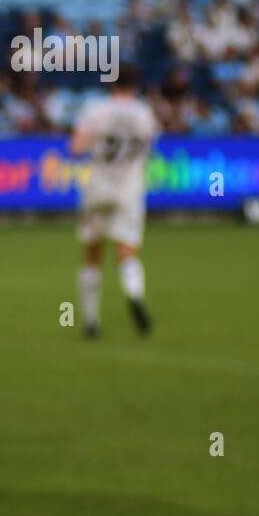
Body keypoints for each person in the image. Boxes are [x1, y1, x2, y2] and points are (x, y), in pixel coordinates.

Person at [71, 63, 159, 338]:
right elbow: (149, 149)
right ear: (136, 85)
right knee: (127, 250)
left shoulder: (96, 109)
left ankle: (90, 321)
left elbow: (76, 147)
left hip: (99, 185)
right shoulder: (145, 113)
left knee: (92, 252)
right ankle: (133, 294)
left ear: (112, 83)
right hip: (129, 188)